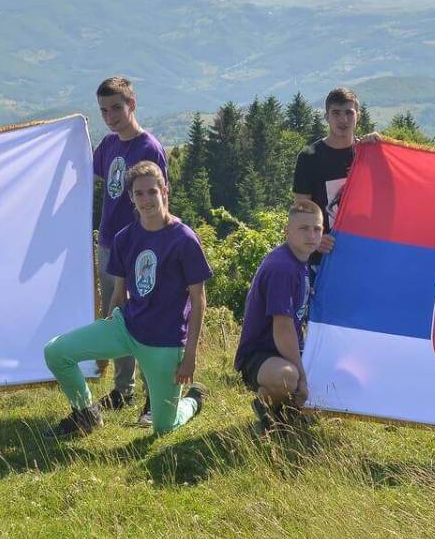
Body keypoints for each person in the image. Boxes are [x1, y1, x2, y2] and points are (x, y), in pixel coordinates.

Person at [43, 161, 208, 437]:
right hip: (126, 327)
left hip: (165, 342)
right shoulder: (124, 238)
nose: (146, 199)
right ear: (130, 197)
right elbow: (120, 293)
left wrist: (190, 356)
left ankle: (192, 401)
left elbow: (199, 300)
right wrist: (105, 336)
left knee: (163, 427)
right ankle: (86, 414)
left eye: (152, 191)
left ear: (164, 191)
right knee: (55, 352)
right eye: (139, 193)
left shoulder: (184, 239)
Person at [90, 76, 168, 411]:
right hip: (109, 244)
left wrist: (157, 244)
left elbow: (161, 199)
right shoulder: (108, 145)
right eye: (104, 111)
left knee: (144, 318)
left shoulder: (148, 147)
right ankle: (124, 389)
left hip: (139, 248)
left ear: (132, 104)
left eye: (116, 108)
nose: (110, 117)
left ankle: (155, 393)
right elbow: (86, 177)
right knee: (116, 318)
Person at [235, 199, 323, 432]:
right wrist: (302, 376)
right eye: (303, 228)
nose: (311, 235)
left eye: (317, 229)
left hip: (285, 351)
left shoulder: (301, 260)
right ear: (287, 231)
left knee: (327, 372)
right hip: (260, 355)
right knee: (289, 378)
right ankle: (270, 405)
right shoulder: (282, 267)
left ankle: (279, 409)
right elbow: (282, 329)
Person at [290, 87, 361, 260]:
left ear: (357, 116)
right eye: (336, 113)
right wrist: (316, 239)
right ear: (326, 117)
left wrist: (380, 146)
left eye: (349, 113)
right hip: (323, 260)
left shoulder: (367, 155)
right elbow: (300, 211)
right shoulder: (309, 157)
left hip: (362, 254)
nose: (343, 119)